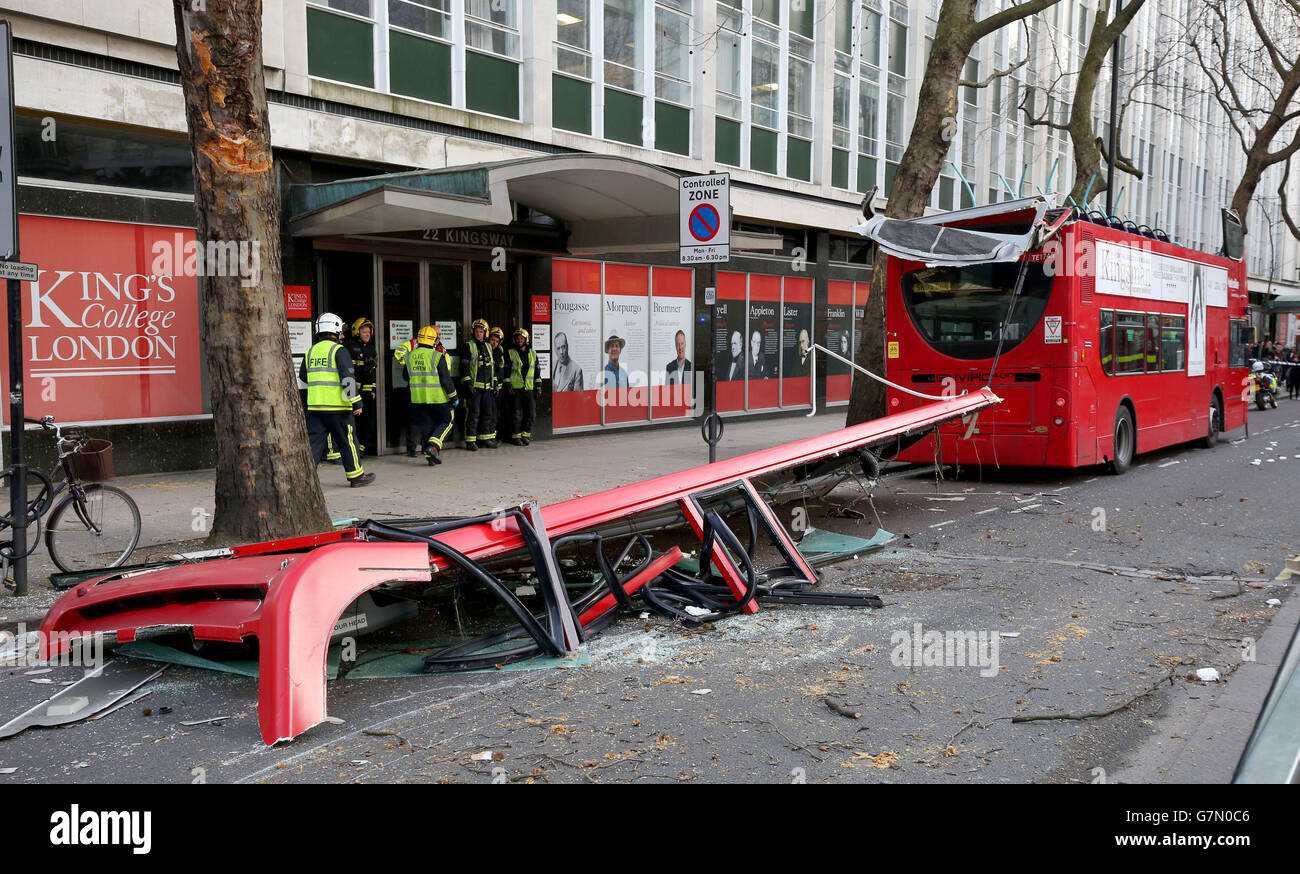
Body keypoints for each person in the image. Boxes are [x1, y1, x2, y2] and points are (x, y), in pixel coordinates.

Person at [300, 312, 374, 487]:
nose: (342, 335)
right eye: (340, 331)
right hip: (338, 409)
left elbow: (303, 375)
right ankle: (357, 476)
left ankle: (304, 480)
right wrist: (356, 401)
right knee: (348, 442)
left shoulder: (311, 351)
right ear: (335, 330)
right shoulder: (339, 350)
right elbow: (347, 379)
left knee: (314, 446)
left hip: (316, 409)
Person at [406, 324, 459, 465]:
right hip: (437, 399)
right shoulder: (437, 356)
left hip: (418, 399)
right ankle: (434, 447)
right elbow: (446, 381)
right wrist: (454, 397)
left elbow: (406, 376)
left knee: (427, 426)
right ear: (433, 340)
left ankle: (430, 456)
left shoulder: (410, 356)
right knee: (448, 421)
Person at [460, 318, 499, 450]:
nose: (478, 334)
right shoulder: (468, 346)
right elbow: (464, 367)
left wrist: (494, 382)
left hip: (487, 388)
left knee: (487, 413)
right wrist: (468, 384)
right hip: (474, 388)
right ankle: (470, 441)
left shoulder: (488, 346)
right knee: (473, 413)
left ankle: (485, 439)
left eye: (481, 331)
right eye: (476, 331)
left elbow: (491, 366)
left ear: (485, 333)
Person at [346, 317, 378, 455]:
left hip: (367, 392)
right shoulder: (348, 346)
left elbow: (373, 372)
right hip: (353, 391)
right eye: (364, 331)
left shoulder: (371, 349)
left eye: (369, 332)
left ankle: (362, 447)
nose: (367, 334)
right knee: (354, 422)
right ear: (357, 332)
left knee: (367, 421)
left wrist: (373, 389)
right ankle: (353, 447)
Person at [504, 328, 540, 445]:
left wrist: (538, 387)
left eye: (522, 338)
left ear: (526, 340)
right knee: (516, 415)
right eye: (518, 339)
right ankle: (516, 437)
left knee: (531, 414)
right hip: (516, 390)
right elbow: (506, 371)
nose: (519, 340)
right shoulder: (510, 353)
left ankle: (526, 435)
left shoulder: (533, 354)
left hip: (529, 389)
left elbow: (537, 373)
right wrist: (508, 385)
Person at [392, 334, 422, 457]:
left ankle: (412, 449)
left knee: (414, 420)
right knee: (423, 420)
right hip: (428, 393)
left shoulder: (413, 355)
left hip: (415, 391)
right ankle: (425, 448)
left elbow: (405, 375)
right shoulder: (436, 353)